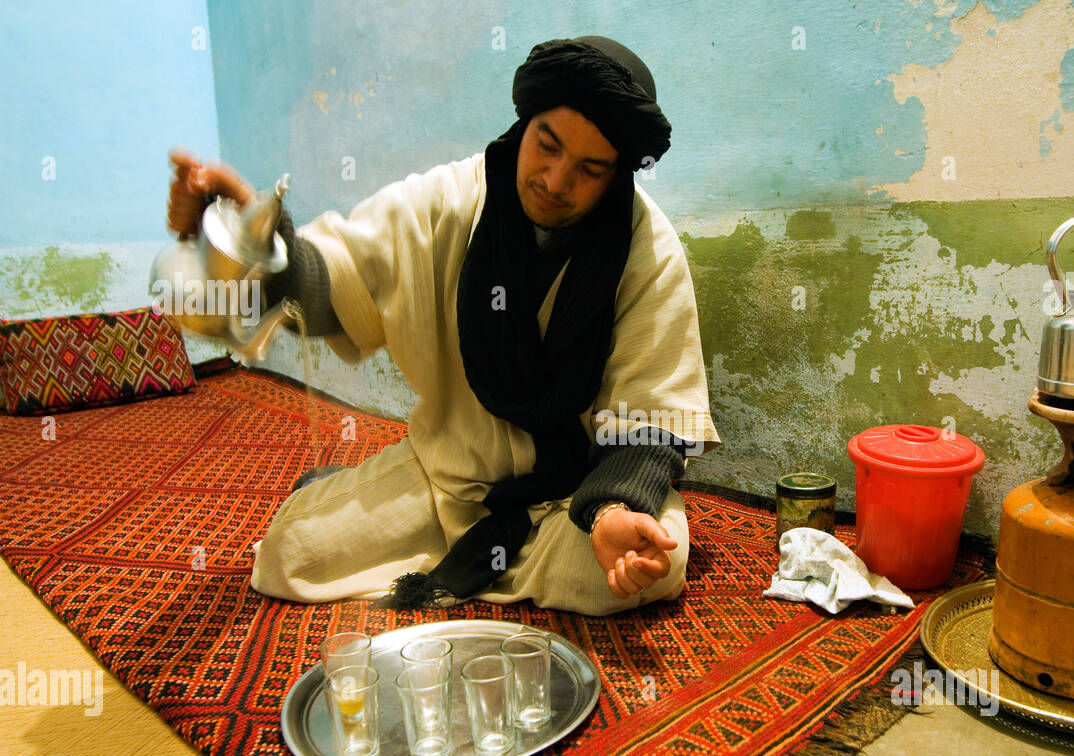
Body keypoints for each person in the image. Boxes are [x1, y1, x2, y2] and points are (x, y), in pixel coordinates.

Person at [166, 37, 719, 616]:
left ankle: (503, 548)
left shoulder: (647, 250)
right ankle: (353, 497)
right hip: (451, 480)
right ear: (525, 123)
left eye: (590, 169)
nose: (556, 181)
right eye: (547, 146)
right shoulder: (449, 200)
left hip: (578, 496)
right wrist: (258, 241)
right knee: (289, 551)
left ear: (618, 173)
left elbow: (654, 420)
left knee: (650, 570)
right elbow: (334, 283)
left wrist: (613, 512)